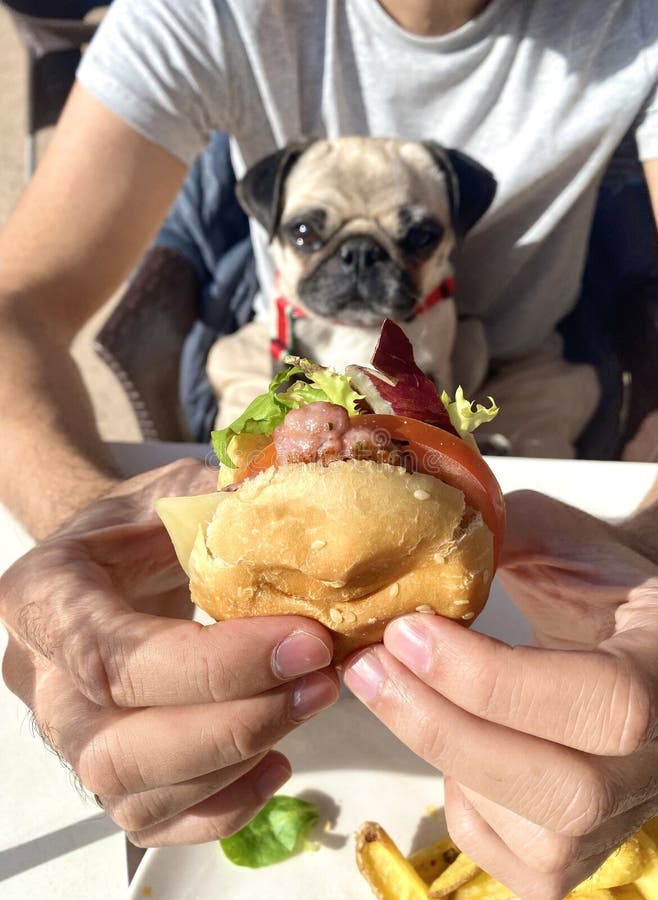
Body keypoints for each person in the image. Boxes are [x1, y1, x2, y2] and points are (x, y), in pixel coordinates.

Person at [0, 1, 656, 896]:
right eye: (312, 233)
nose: (356, 261)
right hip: (285, 370)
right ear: (272, 215)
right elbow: (14, 304)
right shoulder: (207, 15)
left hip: (500, 378)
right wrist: (82, 531)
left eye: (410, 235)